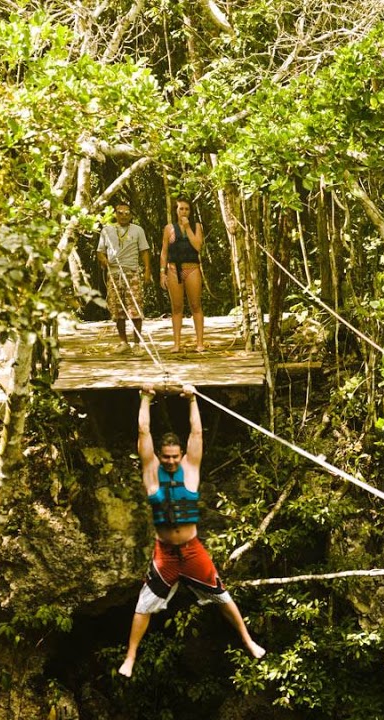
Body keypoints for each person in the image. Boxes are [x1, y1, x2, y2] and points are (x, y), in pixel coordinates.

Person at [118, 382, 265, 677]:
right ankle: (131, 657)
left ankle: (247, 640)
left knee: (222, 596)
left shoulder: (191, 469)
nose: (171, 461)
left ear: (181, 454)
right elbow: (143, 433)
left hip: (192, 550)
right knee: (143, 604)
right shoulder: (151, 471)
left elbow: (197, 433)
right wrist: (146, 398)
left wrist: (191, 399)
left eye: (175, 456)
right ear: (159, 455)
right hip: (166, 554)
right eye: (167, 456)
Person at [96, 200, 153, 345]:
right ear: (115, 214)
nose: (123, 216)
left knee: (135, 309)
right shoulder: (106, 230)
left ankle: (137, 344)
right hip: (114, 274)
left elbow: (144, 252)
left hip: (132, 272)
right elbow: (100, 252)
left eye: (127, 213)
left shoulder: (137, 230)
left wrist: (147, 271)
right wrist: (104, 260)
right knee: (117, 310)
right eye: (120, 213)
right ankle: (123, 343)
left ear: (131, 215)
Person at [160, 198, 205, 352]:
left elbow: (198, 246)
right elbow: (164, 251)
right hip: (173, 270)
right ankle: (177, 344)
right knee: (177, 307)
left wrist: (187, 228)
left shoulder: (196, 226)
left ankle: (200, 343)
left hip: (192, 269)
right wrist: (162, 273)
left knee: (196, 306)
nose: (184, 211)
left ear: (190, 212)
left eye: (187, 209)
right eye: (181, 209)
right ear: (176, 211)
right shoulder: (169, 228)